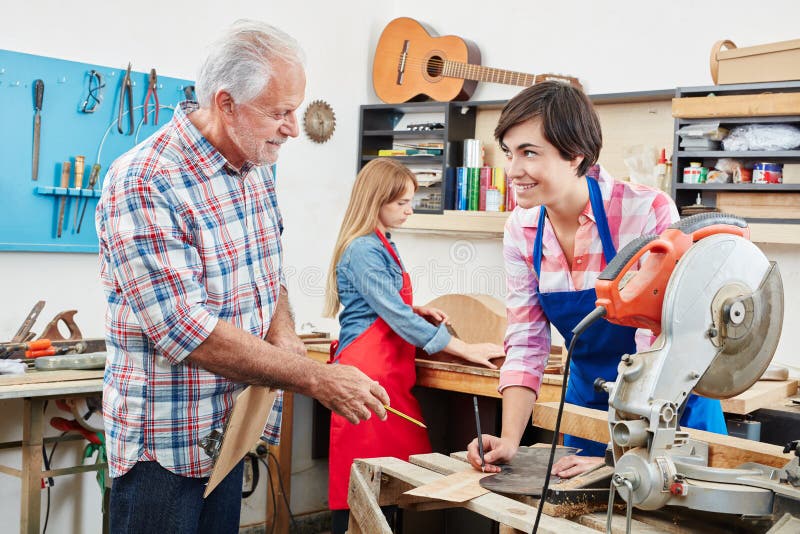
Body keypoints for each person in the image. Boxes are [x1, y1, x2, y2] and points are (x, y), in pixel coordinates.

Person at [96, 20, 390, 534]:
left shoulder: (253, 171)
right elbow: (187, 331)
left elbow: (266, 270)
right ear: (226, 103)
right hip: (164, 445)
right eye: (280, 113)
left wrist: (283, 332)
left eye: (296, 110)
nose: (294, 128)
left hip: (227, 430)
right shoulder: (145, 181)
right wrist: (315, 378)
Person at [465, 81, 728, 479]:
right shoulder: (521, 228)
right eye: (509, 152)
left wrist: (623, 452)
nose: (513, 170)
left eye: (529, 153)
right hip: (589, 408)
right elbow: (526, 341)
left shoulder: (647, 213)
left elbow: (657, 344)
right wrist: (509, 439)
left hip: (667, 414)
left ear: (576, 155)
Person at [323, 158, 505, 533]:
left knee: (393, 473)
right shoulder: (363, 250)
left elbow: (386, 305)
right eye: (402, 203)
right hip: (368, 374)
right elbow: (395, 318)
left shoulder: (383, 243)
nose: (410, 210)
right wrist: (463, 348)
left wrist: (415, 308)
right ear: (377, 201)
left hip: (388, 372)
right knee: (362, 479)